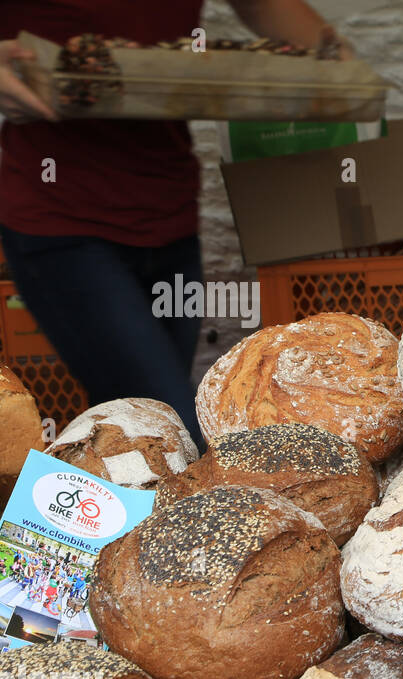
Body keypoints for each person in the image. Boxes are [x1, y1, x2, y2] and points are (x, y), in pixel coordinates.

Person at [0, 1, 352, 445]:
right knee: (173, 428)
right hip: (61, 219)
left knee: (133, 427)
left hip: (170, 217)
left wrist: (336, 60)